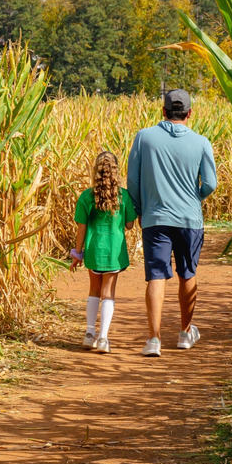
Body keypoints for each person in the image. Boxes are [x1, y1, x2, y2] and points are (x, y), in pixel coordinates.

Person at [126, 89, 217, 357]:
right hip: (190, 218)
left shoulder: (144, 138)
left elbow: (133, 180)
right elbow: (210, 183)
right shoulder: (201, 142)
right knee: (187, 273)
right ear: (189, 113)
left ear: (163, 111)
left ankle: (153, 339)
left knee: (156, 275)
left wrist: (140, 208)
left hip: (155, 218)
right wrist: (193, 197)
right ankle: (184, 333)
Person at [69, 151, 137, 354]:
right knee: (108, 293)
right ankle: (104, 338)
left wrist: (77, 254)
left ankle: (89, 334)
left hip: (93, 250)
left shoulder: (86, 196)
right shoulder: (123, 196)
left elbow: (81, 228)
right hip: (114, 252)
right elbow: (130, 225)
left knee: (94, 291)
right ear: (115, 171)